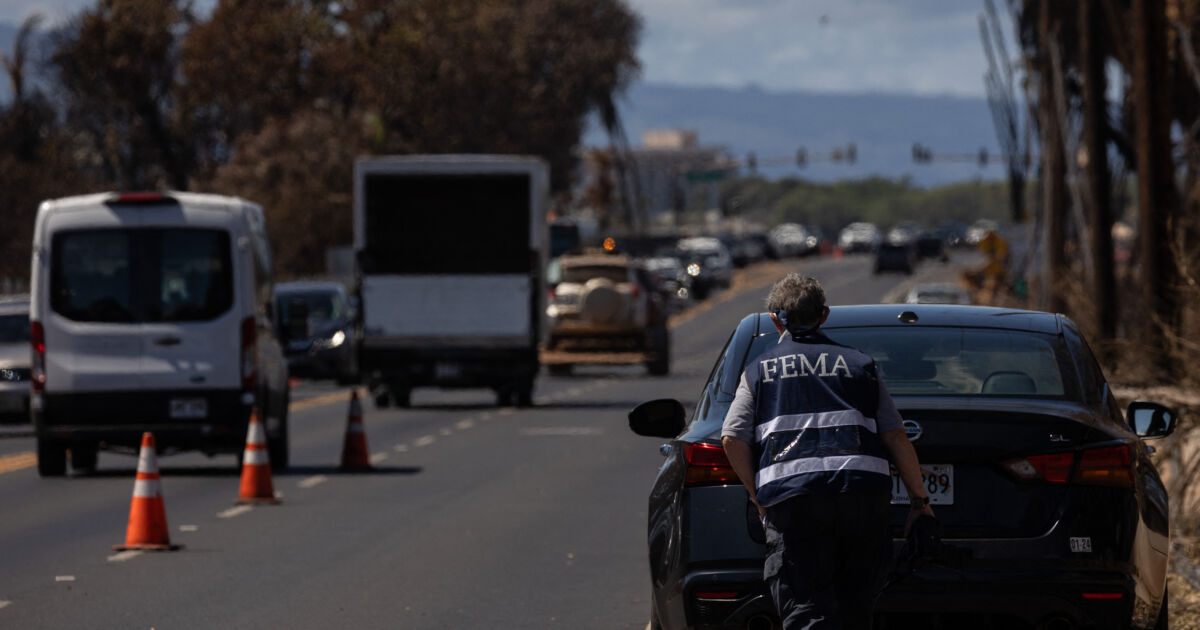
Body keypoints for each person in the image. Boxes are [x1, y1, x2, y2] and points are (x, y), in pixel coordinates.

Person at [721, 273, 934, 630]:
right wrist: (919, 503)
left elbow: (732, 438)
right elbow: (896, 435)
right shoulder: (859, 365)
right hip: (861, 498)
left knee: (806, 610)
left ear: (776, 319)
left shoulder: (759, 371)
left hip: (794, 502)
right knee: (855, 609)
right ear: (825, 315)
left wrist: (758, 497)